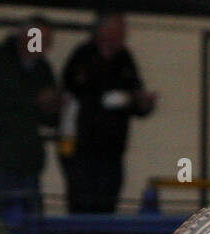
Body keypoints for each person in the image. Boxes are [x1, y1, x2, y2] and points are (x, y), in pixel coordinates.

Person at [59, 12, 157, 213]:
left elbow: (135, 97)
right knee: (81, 202)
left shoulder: (124, 58)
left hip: (113, 148)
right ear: (102, 31)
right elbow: (75, 92)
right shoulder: (83, 55)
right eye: (118, 29)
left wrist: (143, 103)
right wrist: (119, 98)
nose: (123, 34)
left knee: (108, 203)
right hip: (82, 147)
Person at [0, 17, 60, 229]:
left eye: (47, 40)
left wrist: (52, 106)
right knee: (0, 223)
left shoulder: (41, 68)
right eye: (41, 39)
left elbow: (49, 118)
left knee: (32, 223)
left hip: (27, 160)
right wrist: (35, 99)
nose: (45, 46)